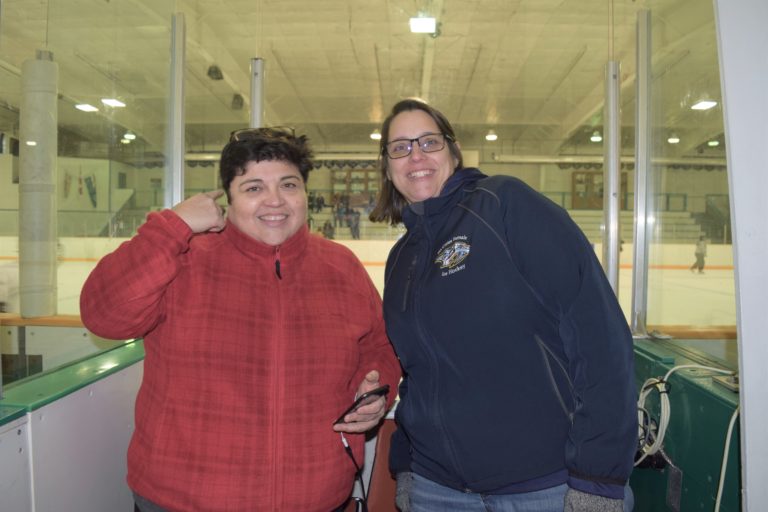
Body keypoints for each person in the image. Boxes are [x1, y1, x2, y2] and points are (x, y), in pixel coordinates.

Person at [80, 127, 401, 512]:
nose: (275, 201)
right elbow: (105, 316)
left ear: (304, 193)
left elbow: (379, 347)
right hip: (184, 499)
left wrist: (375, 390)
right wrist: (172, 227)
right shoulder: (185, 258)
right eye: (253, 188)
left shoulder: (340, 267)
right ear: (227, 199)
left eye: (288, 184)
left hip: (317, 497)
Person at [369, 99, 636, 512]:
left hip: (545, 488)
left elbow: (599, 337)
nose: (416, 155)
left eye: (429, 141)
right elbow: (417, 372)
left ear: (454, 153)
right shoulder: (402, 258)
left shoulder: (505, 204)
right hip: (437, 490)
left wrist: (597, 478)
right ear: (387, 166)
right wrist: (406, 465)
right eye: (399, 147)